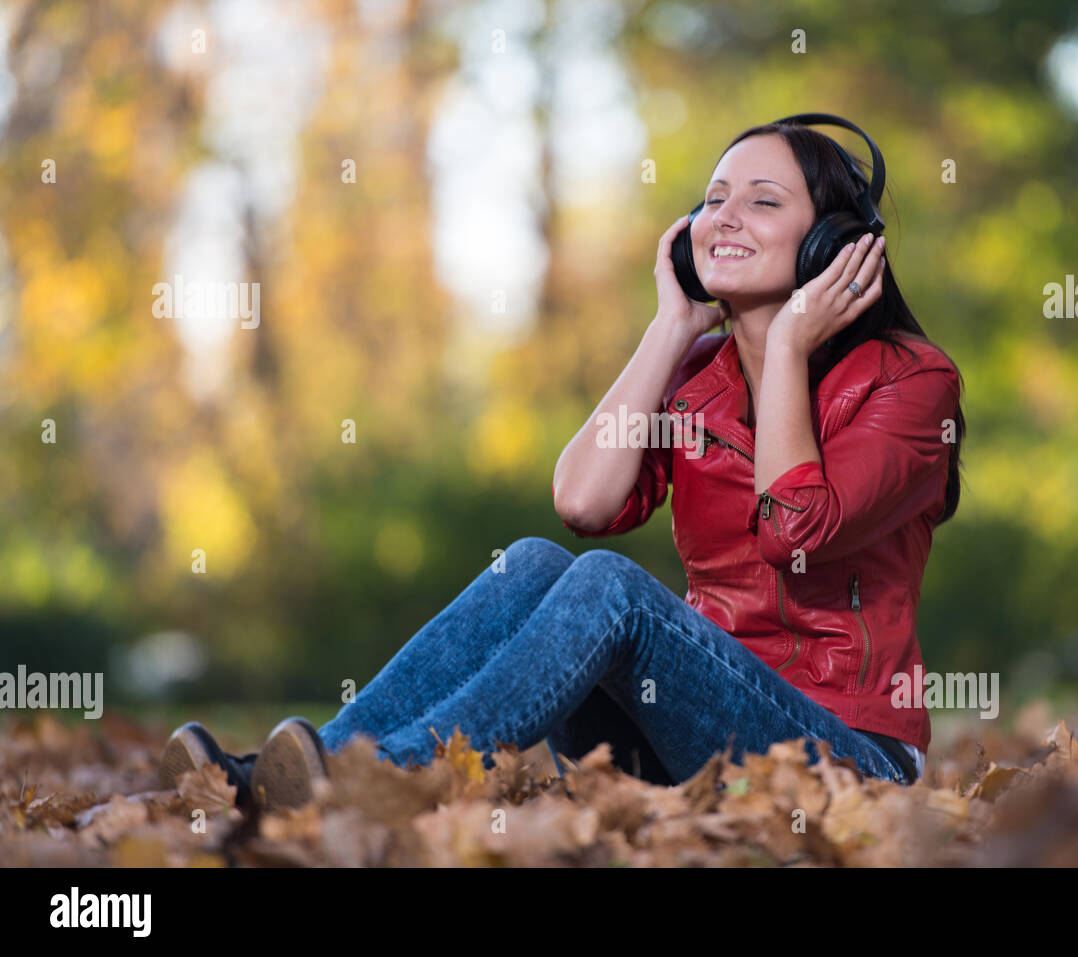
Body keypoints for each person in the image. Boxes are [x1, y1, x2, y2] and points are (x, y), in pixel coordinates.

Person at [159, 119, 966, 811]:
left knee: (612, 583)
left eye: (763, 200)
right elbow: (581, 501)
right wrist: (671, 328)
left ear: (834, 244)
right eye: (713, 198)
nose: (724, 217)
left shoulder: (912, 382)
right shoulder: (698, 377)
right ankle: (289, 772)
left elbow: (796, 527)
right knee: (538, 561)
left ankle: (373, 776)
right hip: (687, 741)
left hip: (844, 763)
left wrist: (788, 342)